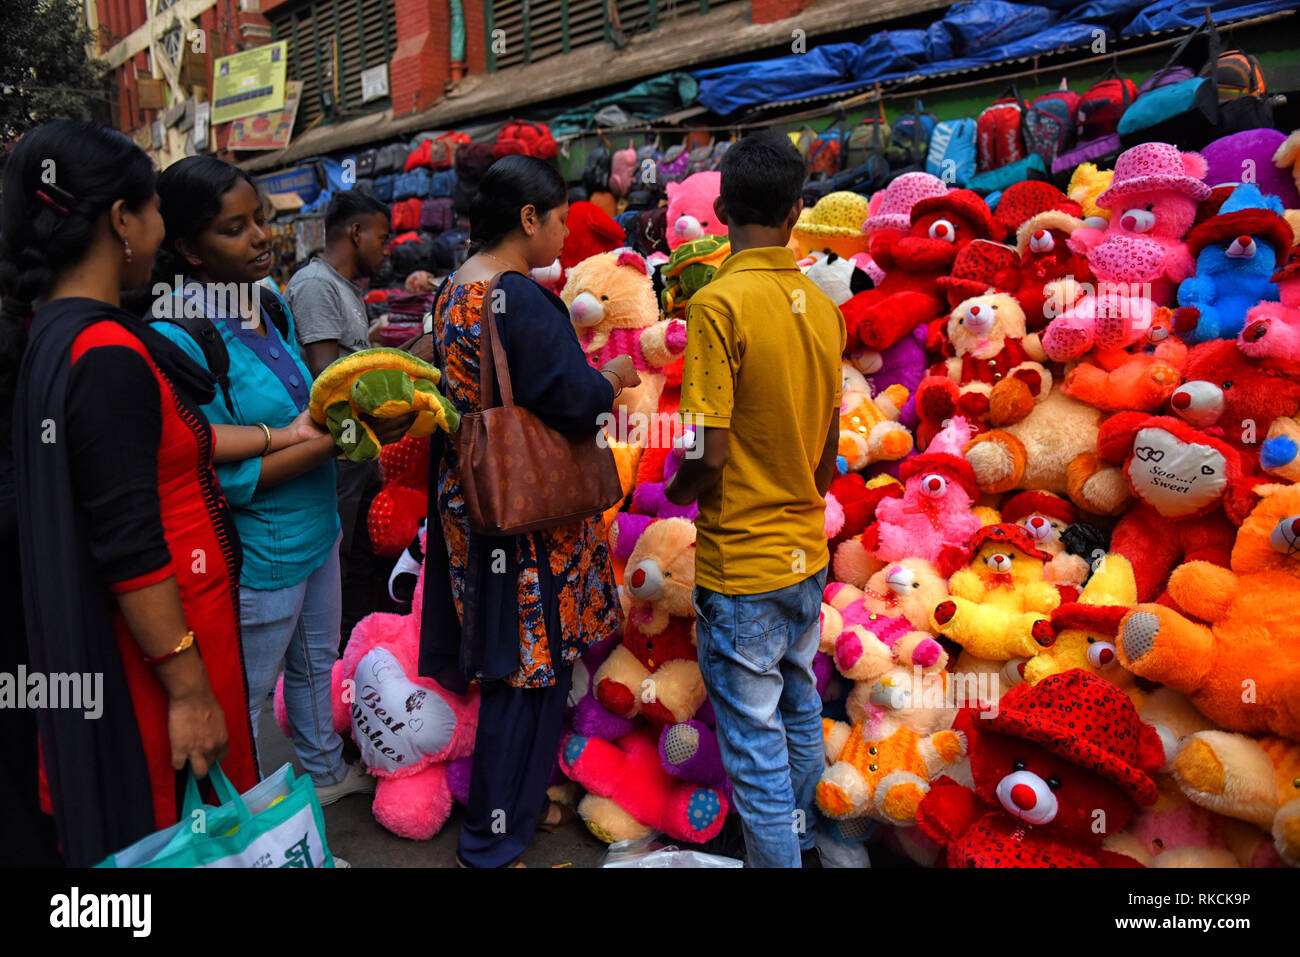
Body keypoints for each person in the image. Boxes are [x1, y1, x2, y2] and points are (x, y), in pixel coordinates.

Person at [1, 121, 260, 866]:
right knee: (175, 837)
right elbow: (131, 543)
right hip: (154, 659)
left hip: (118, 649)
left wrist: (285, 436)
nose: (157, 230)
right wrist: (188, 690)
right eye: (152, 210)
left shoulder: (52, 331)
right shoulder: (107, 351)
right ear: (121, 219)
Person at [150, 157, 404, 806]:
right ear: (187, 248)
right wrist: (332, 437)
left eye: (261, 219)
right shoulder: (177, 333)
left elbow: (312, 405)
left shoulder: (270, 304)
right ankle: (260, 820)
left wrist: (363, 421)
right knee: (250, 694)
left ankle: (323, 776)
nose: (262, 237)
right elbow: (221, 467)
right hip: (260, 551)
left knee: (318, 665)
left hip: (319, 526)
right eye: (235, 228)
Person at [417, 155, 640, 868]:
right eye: (561, 219)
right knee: (528, 672)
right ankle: (489, 837)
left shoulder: (457, 288)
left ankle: (516, 804)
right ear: (528, 219)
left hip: (476, 500)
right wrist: (612, 377)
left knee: (516, 667)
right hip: (528, 514)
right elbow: (573, 399)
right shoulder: (517, 297)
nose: (565, 234)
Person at [665, 130, 844, 868]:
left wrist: (677, 489)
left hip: (745, 563)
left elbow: (706, 451)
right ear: (797, 210)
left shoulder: (718, 304)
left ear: (724, 210)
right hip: (807, 555)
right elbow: (829, 460)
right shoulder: (824, 305)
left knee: (755, 747)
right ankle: (814, 847)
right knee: (800, 710)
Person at [283, 191, 392, 645]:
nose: (386, 249)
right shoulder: (316, 286)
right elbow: (326, 380)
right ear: (356, 233)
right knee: (339, 552)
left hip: (358, 446)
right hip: (338, 447)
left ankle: (354, 640)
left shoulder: (344, 288)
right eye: (382, 238)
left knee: (361, 550)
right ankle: (329, 655)